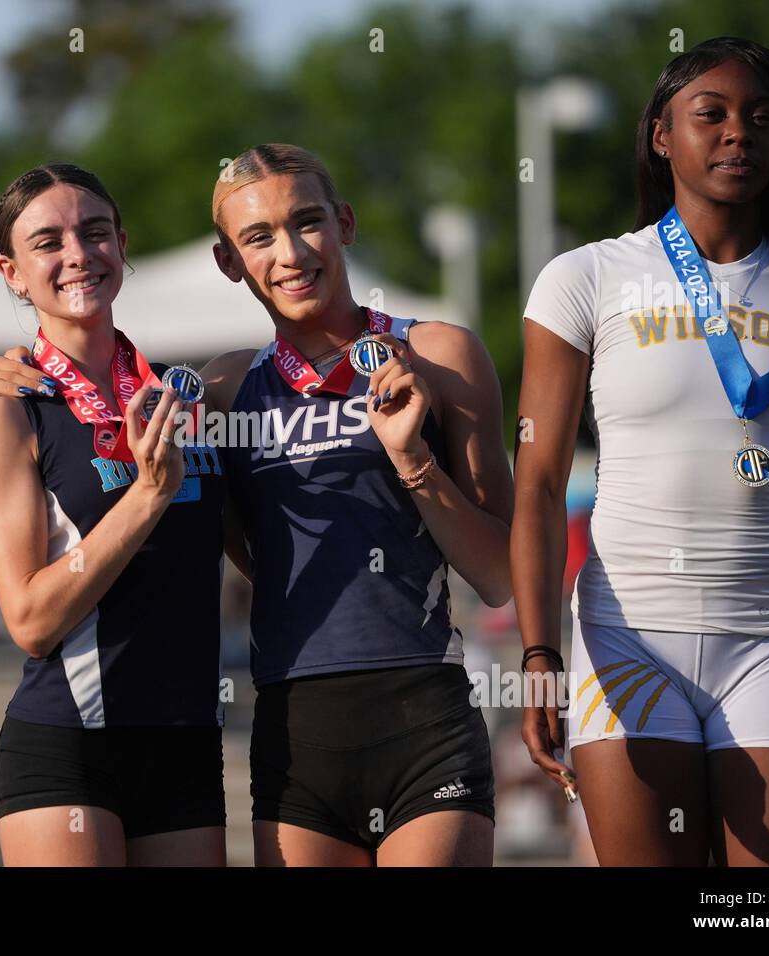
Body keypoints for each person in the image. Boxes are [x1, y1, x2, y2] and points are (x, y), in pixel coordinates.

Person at [512, 37, 769, 866]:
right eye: (709, 115)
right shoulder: (588, 278)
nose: (737, 134)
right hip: (625, 647)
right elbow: (535, 483)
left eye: (761, 119)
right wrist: (538, 656)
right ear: (661, 136)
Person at [203, 144, 512, 866]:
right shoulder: (220, 388)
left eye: (306, 221)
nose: (289, 252)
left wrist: (413, 461)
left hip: (424, 716)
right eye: (257, 237)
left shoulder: (439, 353)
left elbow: (499, 573)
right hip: (293, 729)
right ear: (228, 262)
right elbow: (255, 553)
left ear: (344, 223)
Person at [0, 163, 227, 866]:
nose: (78, 254)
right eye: (47, 242)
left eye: (96, 232)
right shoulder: (7, 407)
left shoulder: (187, 397)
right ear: (13, 272)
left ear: (122, 245)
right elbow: (30, 620)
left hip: (187, 742)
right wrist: (147, 497)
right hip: (67, 744)